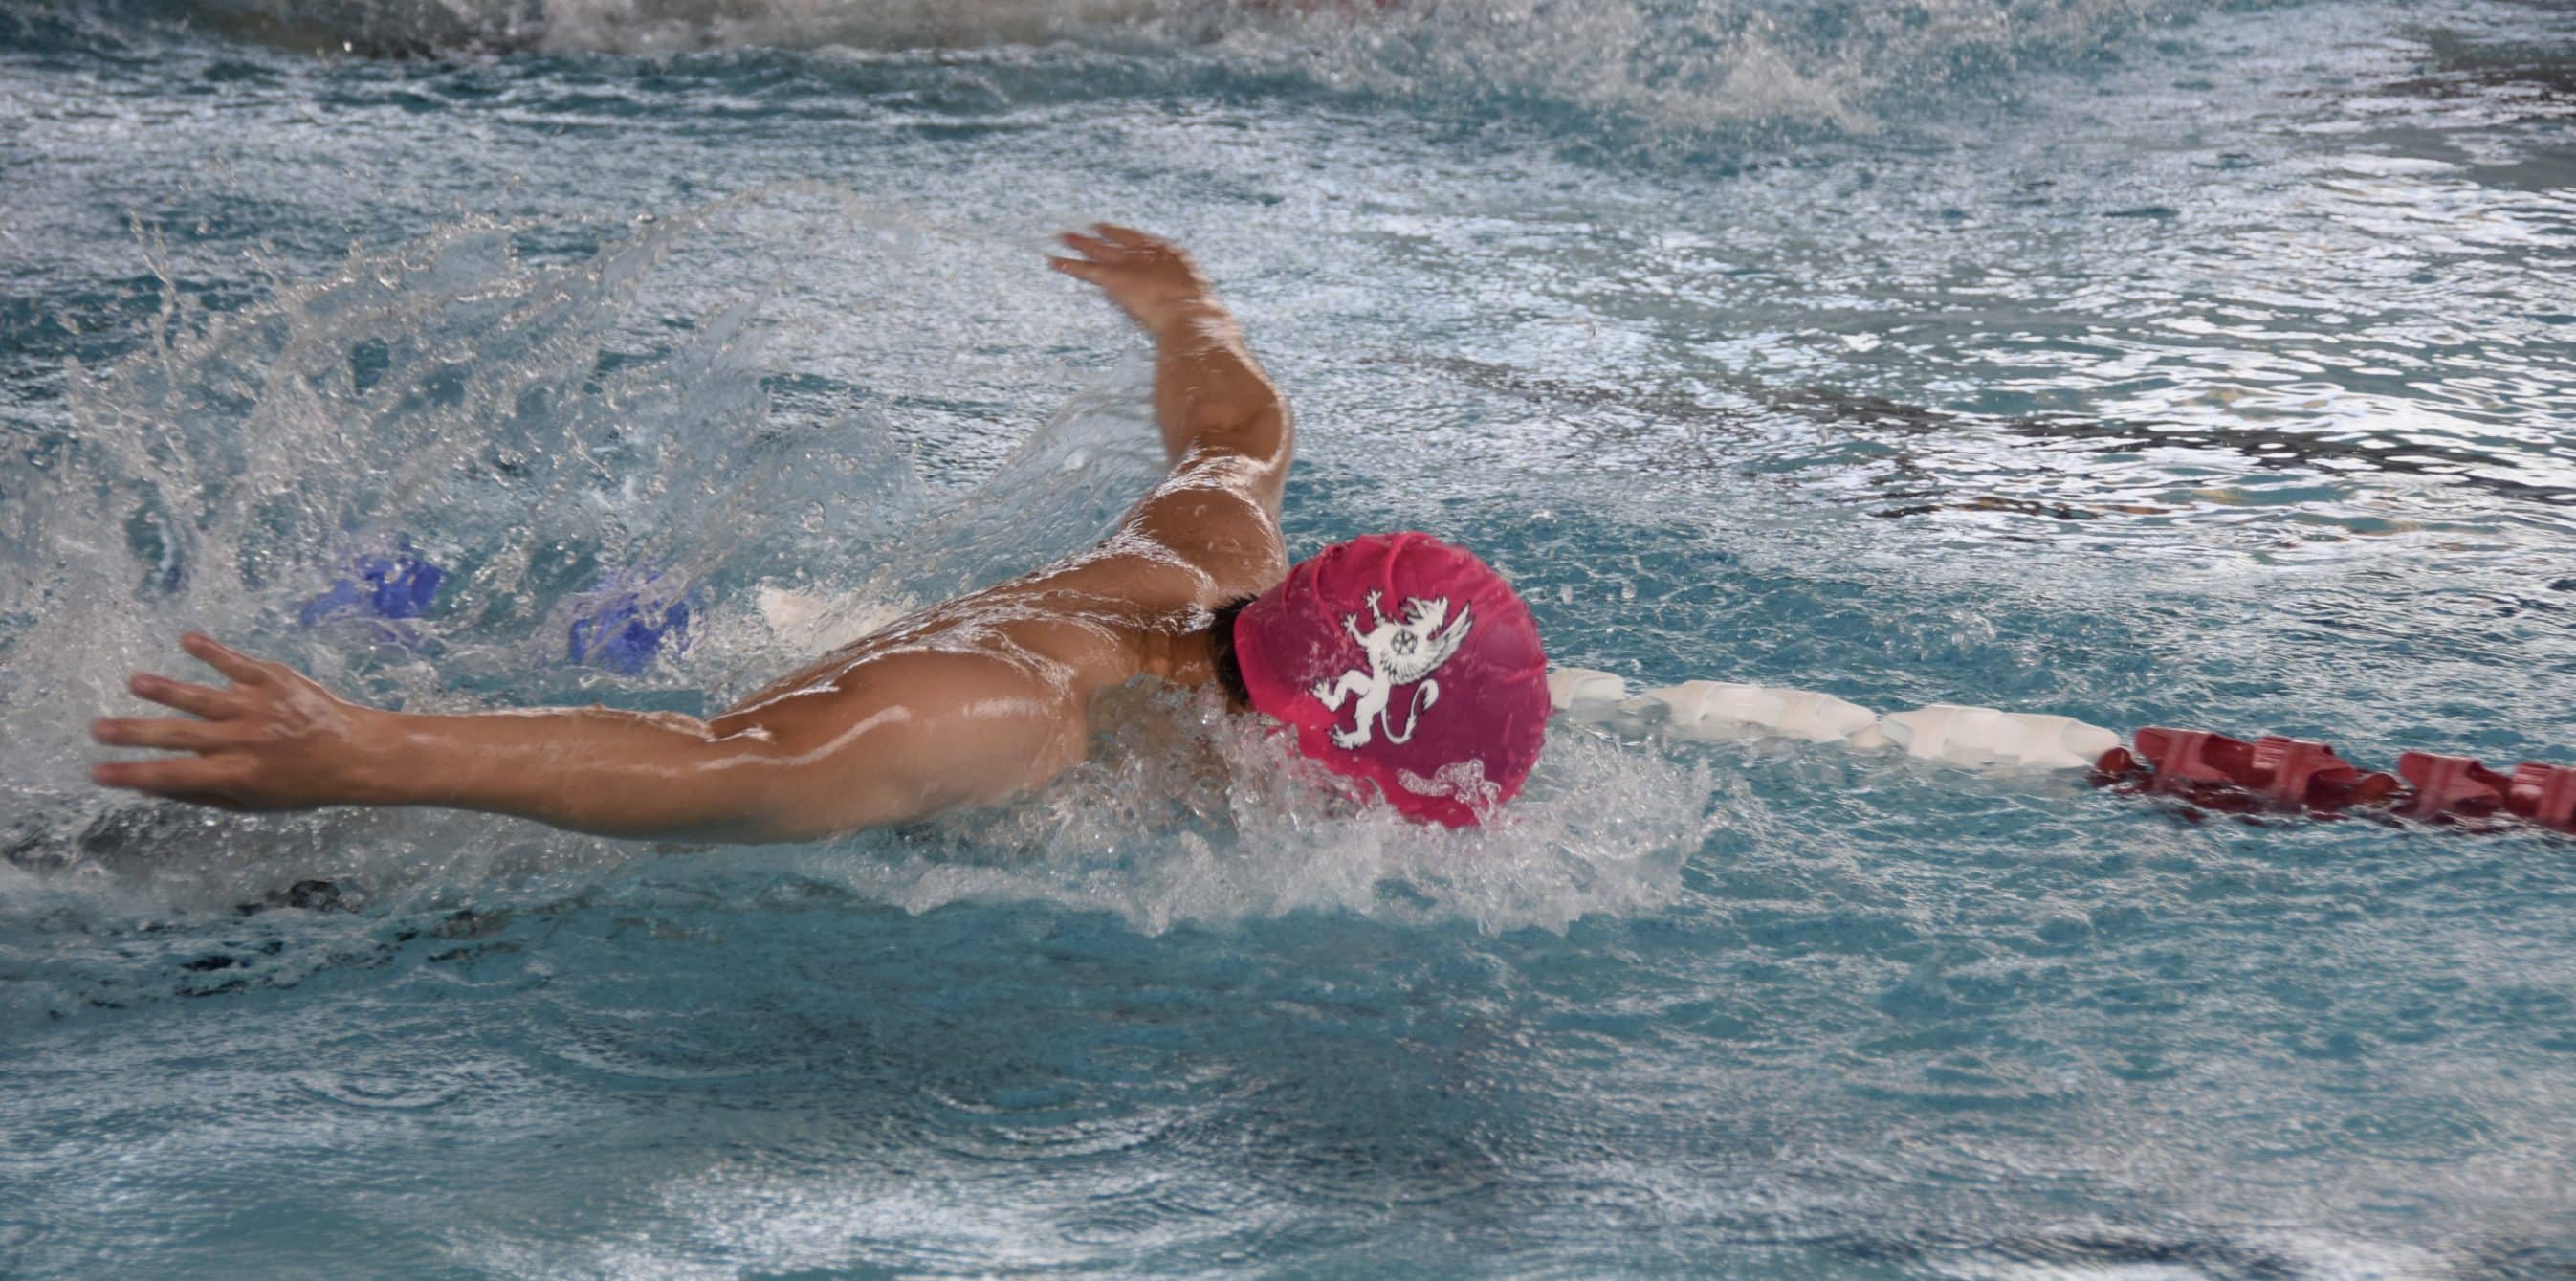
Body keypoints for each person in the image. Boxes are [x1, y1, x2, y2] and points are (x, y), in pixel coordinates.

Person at [91, 226, 1548, 837]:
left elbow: (1239, 437)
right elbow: (723, 768)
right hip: (379, 868)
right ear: (1300, 733)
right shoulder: (1011, 716)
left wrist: (1188, 310)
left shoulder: (1214, 565)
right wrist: (370, 755)